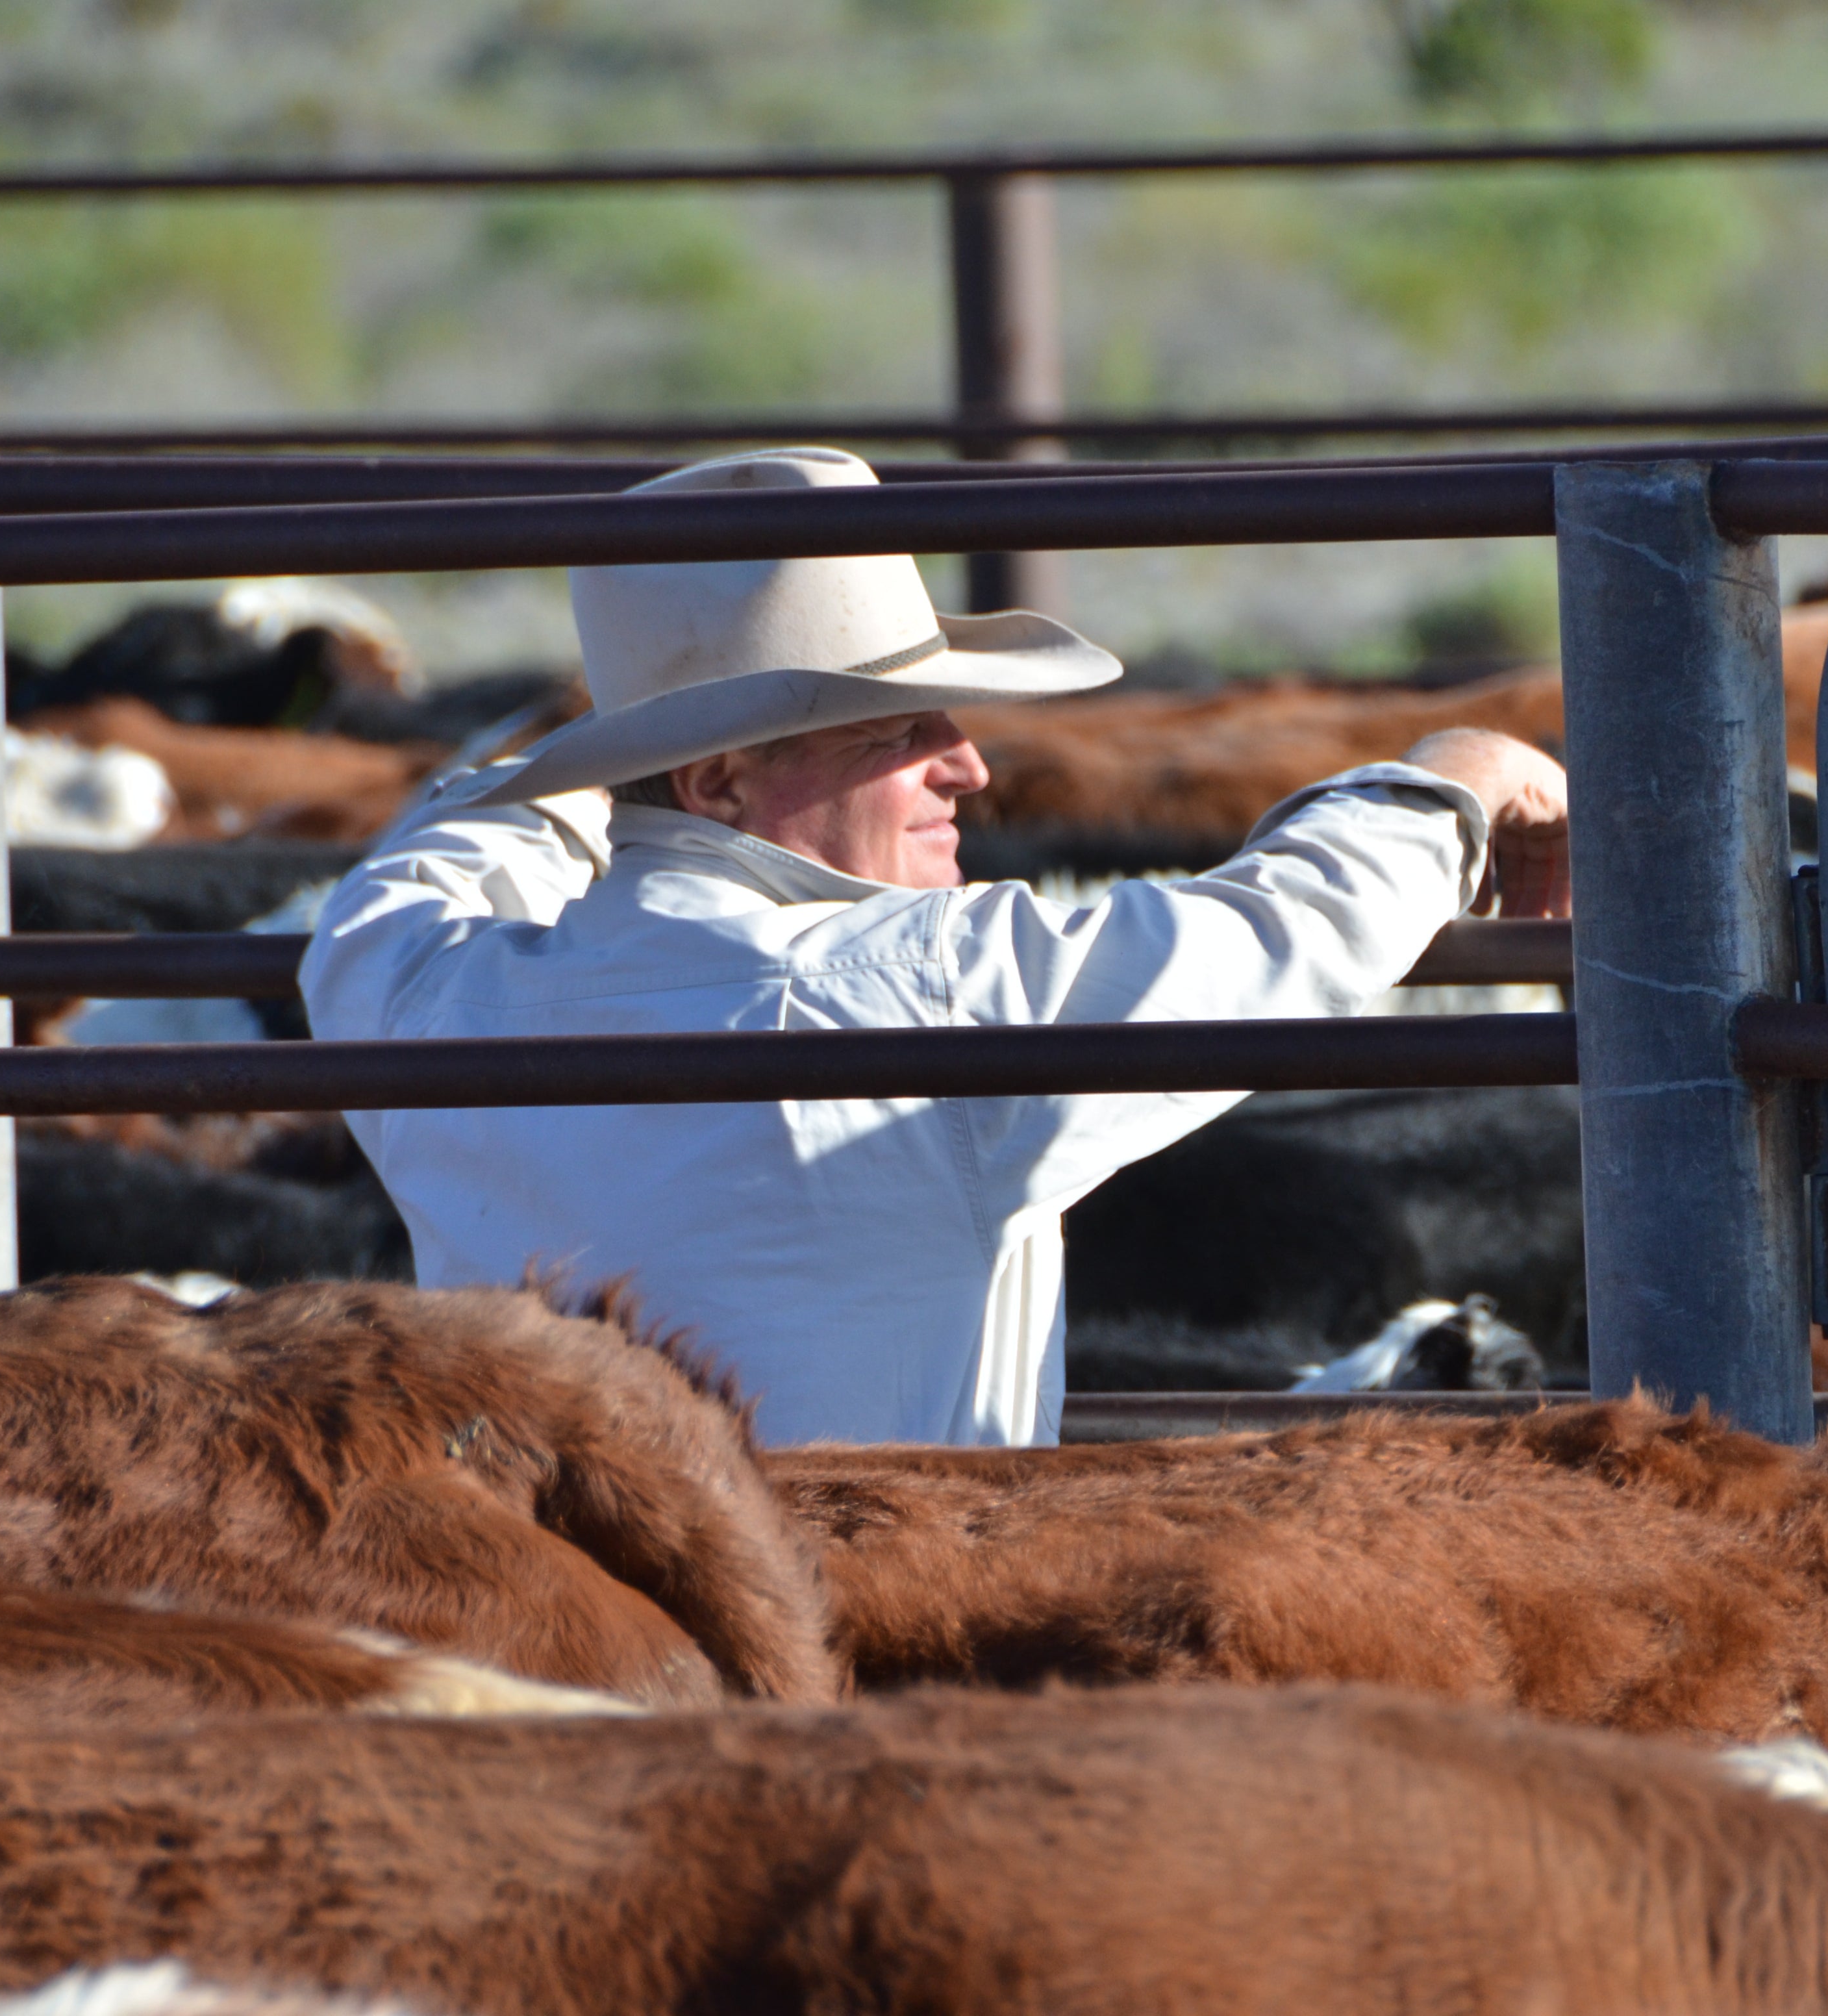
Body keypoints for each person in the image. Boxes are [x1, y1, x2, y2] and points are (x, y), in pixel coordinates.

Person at [301, 448, 1569, 1447]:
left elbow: (420, 869)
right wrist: (1456, 778)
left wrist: (622, 754)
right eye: (897, 731)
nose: (968, 765)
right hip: (875, 1635)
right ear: (724, 782)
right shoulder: (935, 988)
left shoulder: (422, 995)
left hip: (542, 1641)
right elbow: (1285, 928)